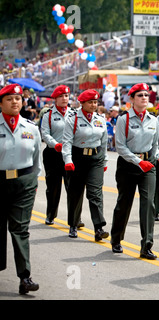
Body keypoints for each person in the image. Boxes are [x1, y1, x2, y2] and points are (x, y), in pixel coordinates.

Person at [110, 83, 159, 259]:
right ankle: (116, 239)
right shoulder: (124, 119)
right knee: (124, 203)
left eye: (146, 95)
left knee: (149, 205)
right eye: (140, 95)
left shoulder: (154, 120)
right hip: (128, 165)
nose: (144, 98)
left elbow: (154, 145)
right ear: (132, 99)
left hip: (148, 165)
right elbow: (120, 147)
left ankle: (146, 246)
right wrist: (138, 161)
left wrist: (157, 155)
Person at [0, 84, 41, 294]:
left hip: (24, 183)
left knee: (21, 230)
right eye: (9, 99)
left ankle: (25, 277)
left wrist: (33, 181)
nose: (15, 102)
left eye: (18, 98)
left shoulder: (31, 127)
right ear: (1, 103)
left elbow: (36, 159)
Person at [62, 89, 109, 240]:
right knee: (75, 192)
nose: (94, 105)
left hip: (96, 158)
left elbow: (104, 142)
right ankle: (73, 224)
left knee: (95, 193)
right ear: (82, 103)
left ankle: (99, 228)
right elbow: (67, 141)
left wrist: (105, 160)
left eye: (96, 102)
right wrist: (68, 160)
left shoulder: (100, 119)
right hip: (78, 158)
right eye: (90, 102)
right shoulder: (73, 118)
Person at [40, 85, 71, 225]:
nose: (65, 99)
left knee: (72, 187)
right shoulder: (48, 115)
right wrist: (55, 144)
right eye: (61, 96)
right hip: (53, 154)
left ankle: (75, 218)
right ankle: (51, 214)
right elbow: (45, 133)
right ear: (55, 99)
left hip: (69, 154)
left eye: (67, 96)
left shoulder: (74, 113)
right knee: (53, 187)